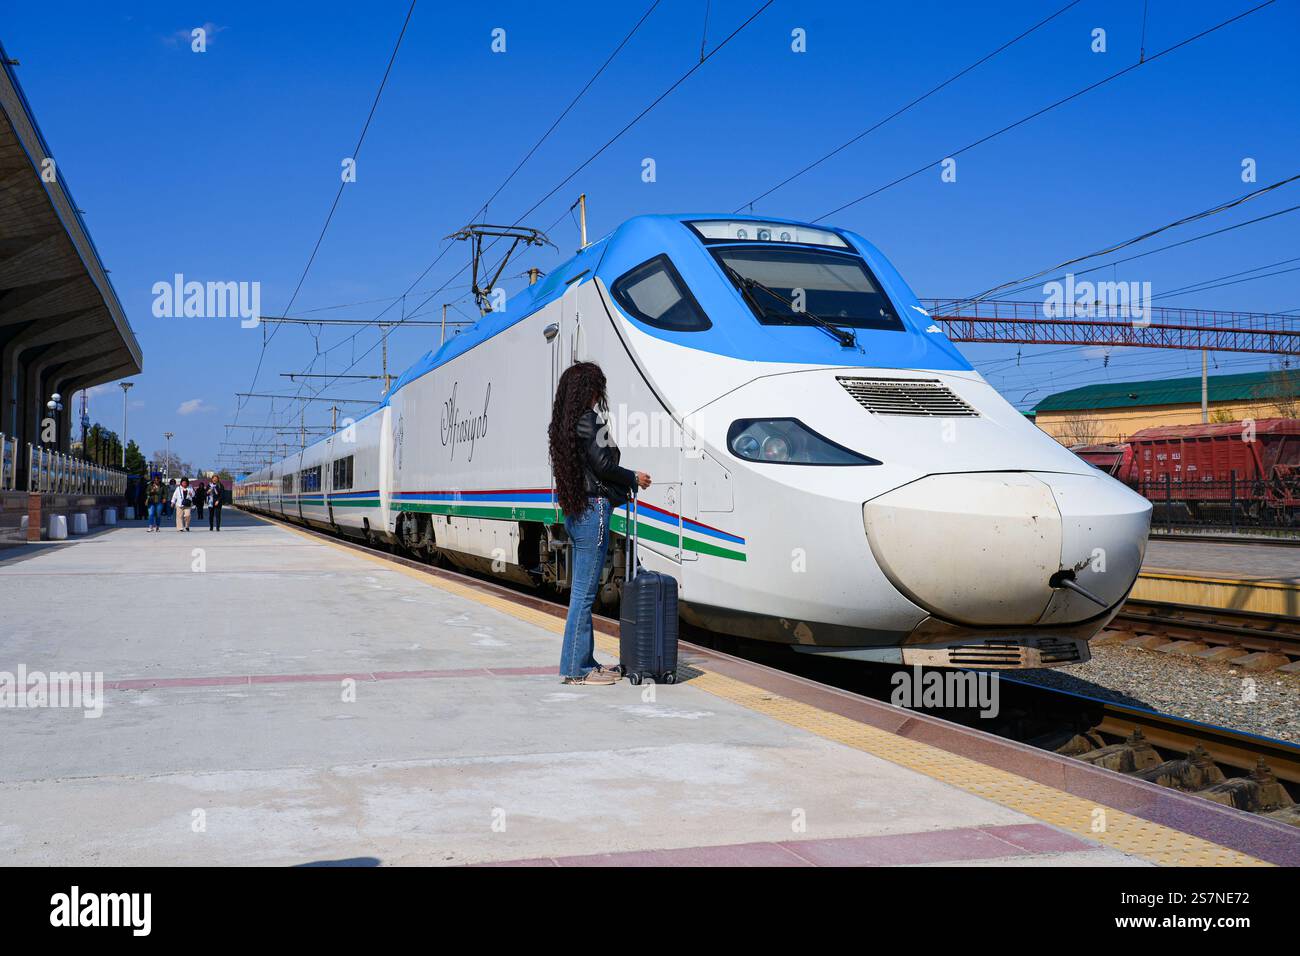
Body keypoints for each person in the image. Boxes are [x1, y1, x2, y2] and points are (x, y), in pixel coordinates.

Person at [547, 361, 651, 686]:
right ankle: (578, 669)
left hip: (577, 512)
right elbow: (604, 464)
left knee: (581, 593)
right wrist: (633, 477)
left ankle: (583, 662)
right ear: (591, 390)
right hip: (595, 511)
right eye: (598, 388)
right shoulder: (591, 420)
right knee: (584, 594)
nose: (599, 394)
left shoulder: (563, 425)